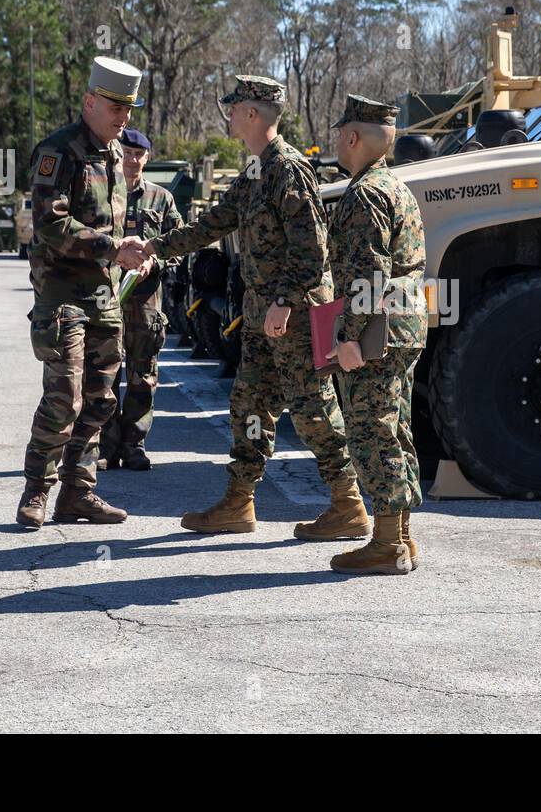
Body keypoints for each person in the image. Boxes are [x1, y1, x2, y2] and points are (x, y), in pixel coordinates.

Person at [130, 75, 367, 540]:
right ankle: (238, 502)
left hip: (294, 315)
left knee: (313, 409)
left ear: (253, 113)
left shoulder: (289, 169)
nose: (229, 116)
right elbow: (213, 224)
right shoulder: (257, 169)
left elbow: (312, 250)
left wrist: (283, 301)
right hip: (262, 316)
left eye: (234, 109)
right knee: (250, 405)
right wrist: (154, 247)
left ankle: (349, 504)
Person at [14, 56, 147, 529]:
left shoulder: (115, 154)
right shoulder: (59, 151)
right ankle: (37, 488)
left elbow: (111, 222)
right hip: (62, 295)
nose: (123, 117)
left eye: (128, 109)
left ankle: (78, 492)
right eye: (115, 107)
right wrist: (113, 248)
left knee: (100, 398)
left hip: (104, 296)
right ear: (90, 102)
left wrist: (129, 250)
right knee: (64, 397)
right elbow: (51, 224)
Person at [324, 95, 427, 575]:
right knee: (396, 427)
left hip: (377, 328)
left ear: (352, 137)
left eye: (339, 135)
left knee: (371, 430)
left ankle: (386, 545)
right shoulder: (397, 187)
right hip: (405, 323)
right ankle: (401, 536)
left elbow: (368, 273)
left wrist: (348, 337)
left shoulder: (365, 193)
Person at [98, 127, 183, 471]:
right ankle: (106, 445)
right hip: (107, 297)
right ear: (118, 154)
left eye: (139, 154)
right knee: (105, 373)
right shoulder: (103, 194)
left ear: (147, 158)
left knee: (143, 374)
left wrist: (154, 261)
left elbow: (179, 243)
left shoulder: (161, 199)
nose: (133, 160)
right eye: (128, 153)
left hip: (146, 302)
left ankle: (134, 444)